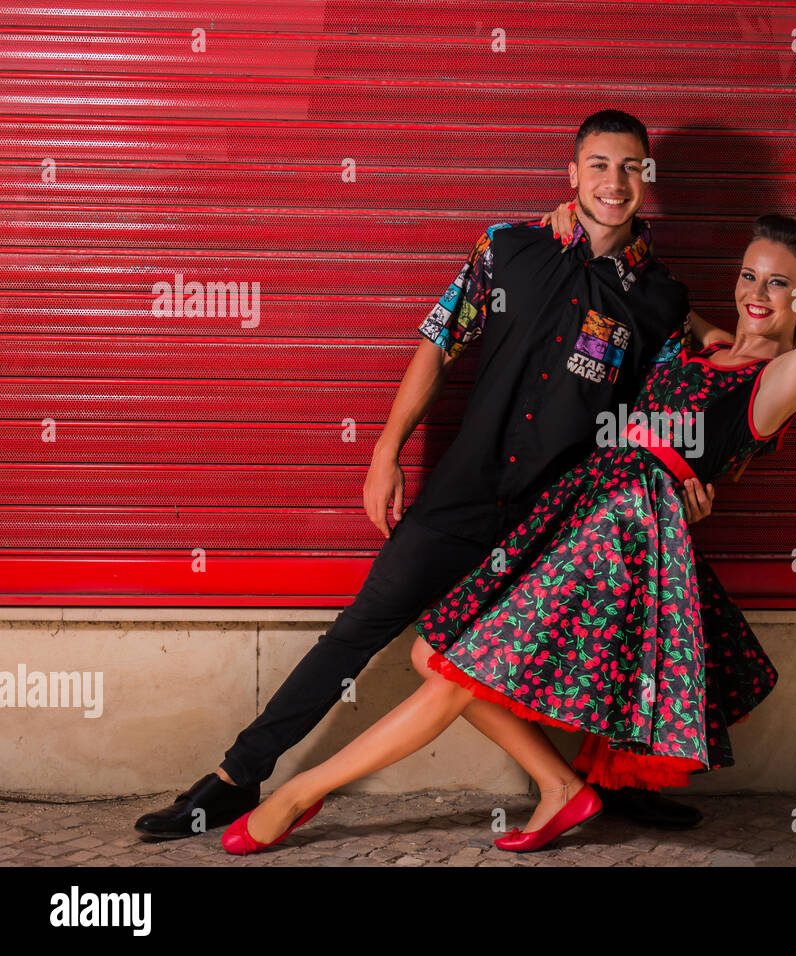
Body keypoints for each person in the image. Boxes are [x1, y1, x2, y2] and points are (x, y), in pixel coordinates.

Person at [220, 131, 796, 854]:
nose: (757, 294)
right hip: (579, 508)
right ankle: (561, 788)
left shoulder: (777, 384)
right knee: (436, 651)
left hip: (620, 536)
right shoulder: (697, 340)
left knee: (455, 669)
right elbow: (632, 314)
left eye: (779, 285)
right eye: (748, 275)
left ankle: (297, 793)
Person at [134, 109, 736, 842]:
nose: (617, 181)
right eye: (601, 165)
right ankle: (236, 778)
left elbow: (664, 415)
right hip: (461, 496)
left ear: (648, 180)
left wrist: (684, 481)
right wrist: (387, 448)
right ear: (573, 174)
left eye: (632, 167)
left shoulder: (661, 300)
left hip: (558, 524)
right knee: (354, 634)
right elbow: (437, 343)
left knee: (608, 641)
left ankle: (615, 782)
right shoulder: (506, 249)